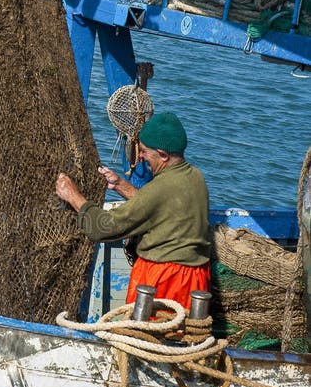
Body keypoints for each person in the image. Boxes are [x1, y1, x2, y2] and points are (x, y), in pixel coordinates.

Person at [55, 112, 211, 309]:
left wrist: (73, 196)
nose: (140, 157)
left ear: (163, 154)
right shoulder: (195, 178)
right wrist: (120, 185)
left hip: (164, 280)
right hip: (195, 279)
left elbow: (103, 228)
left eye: (144, 151)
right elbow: (161, 207)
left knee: (148, 335)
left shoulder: (159, 189)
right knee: (181, 335)